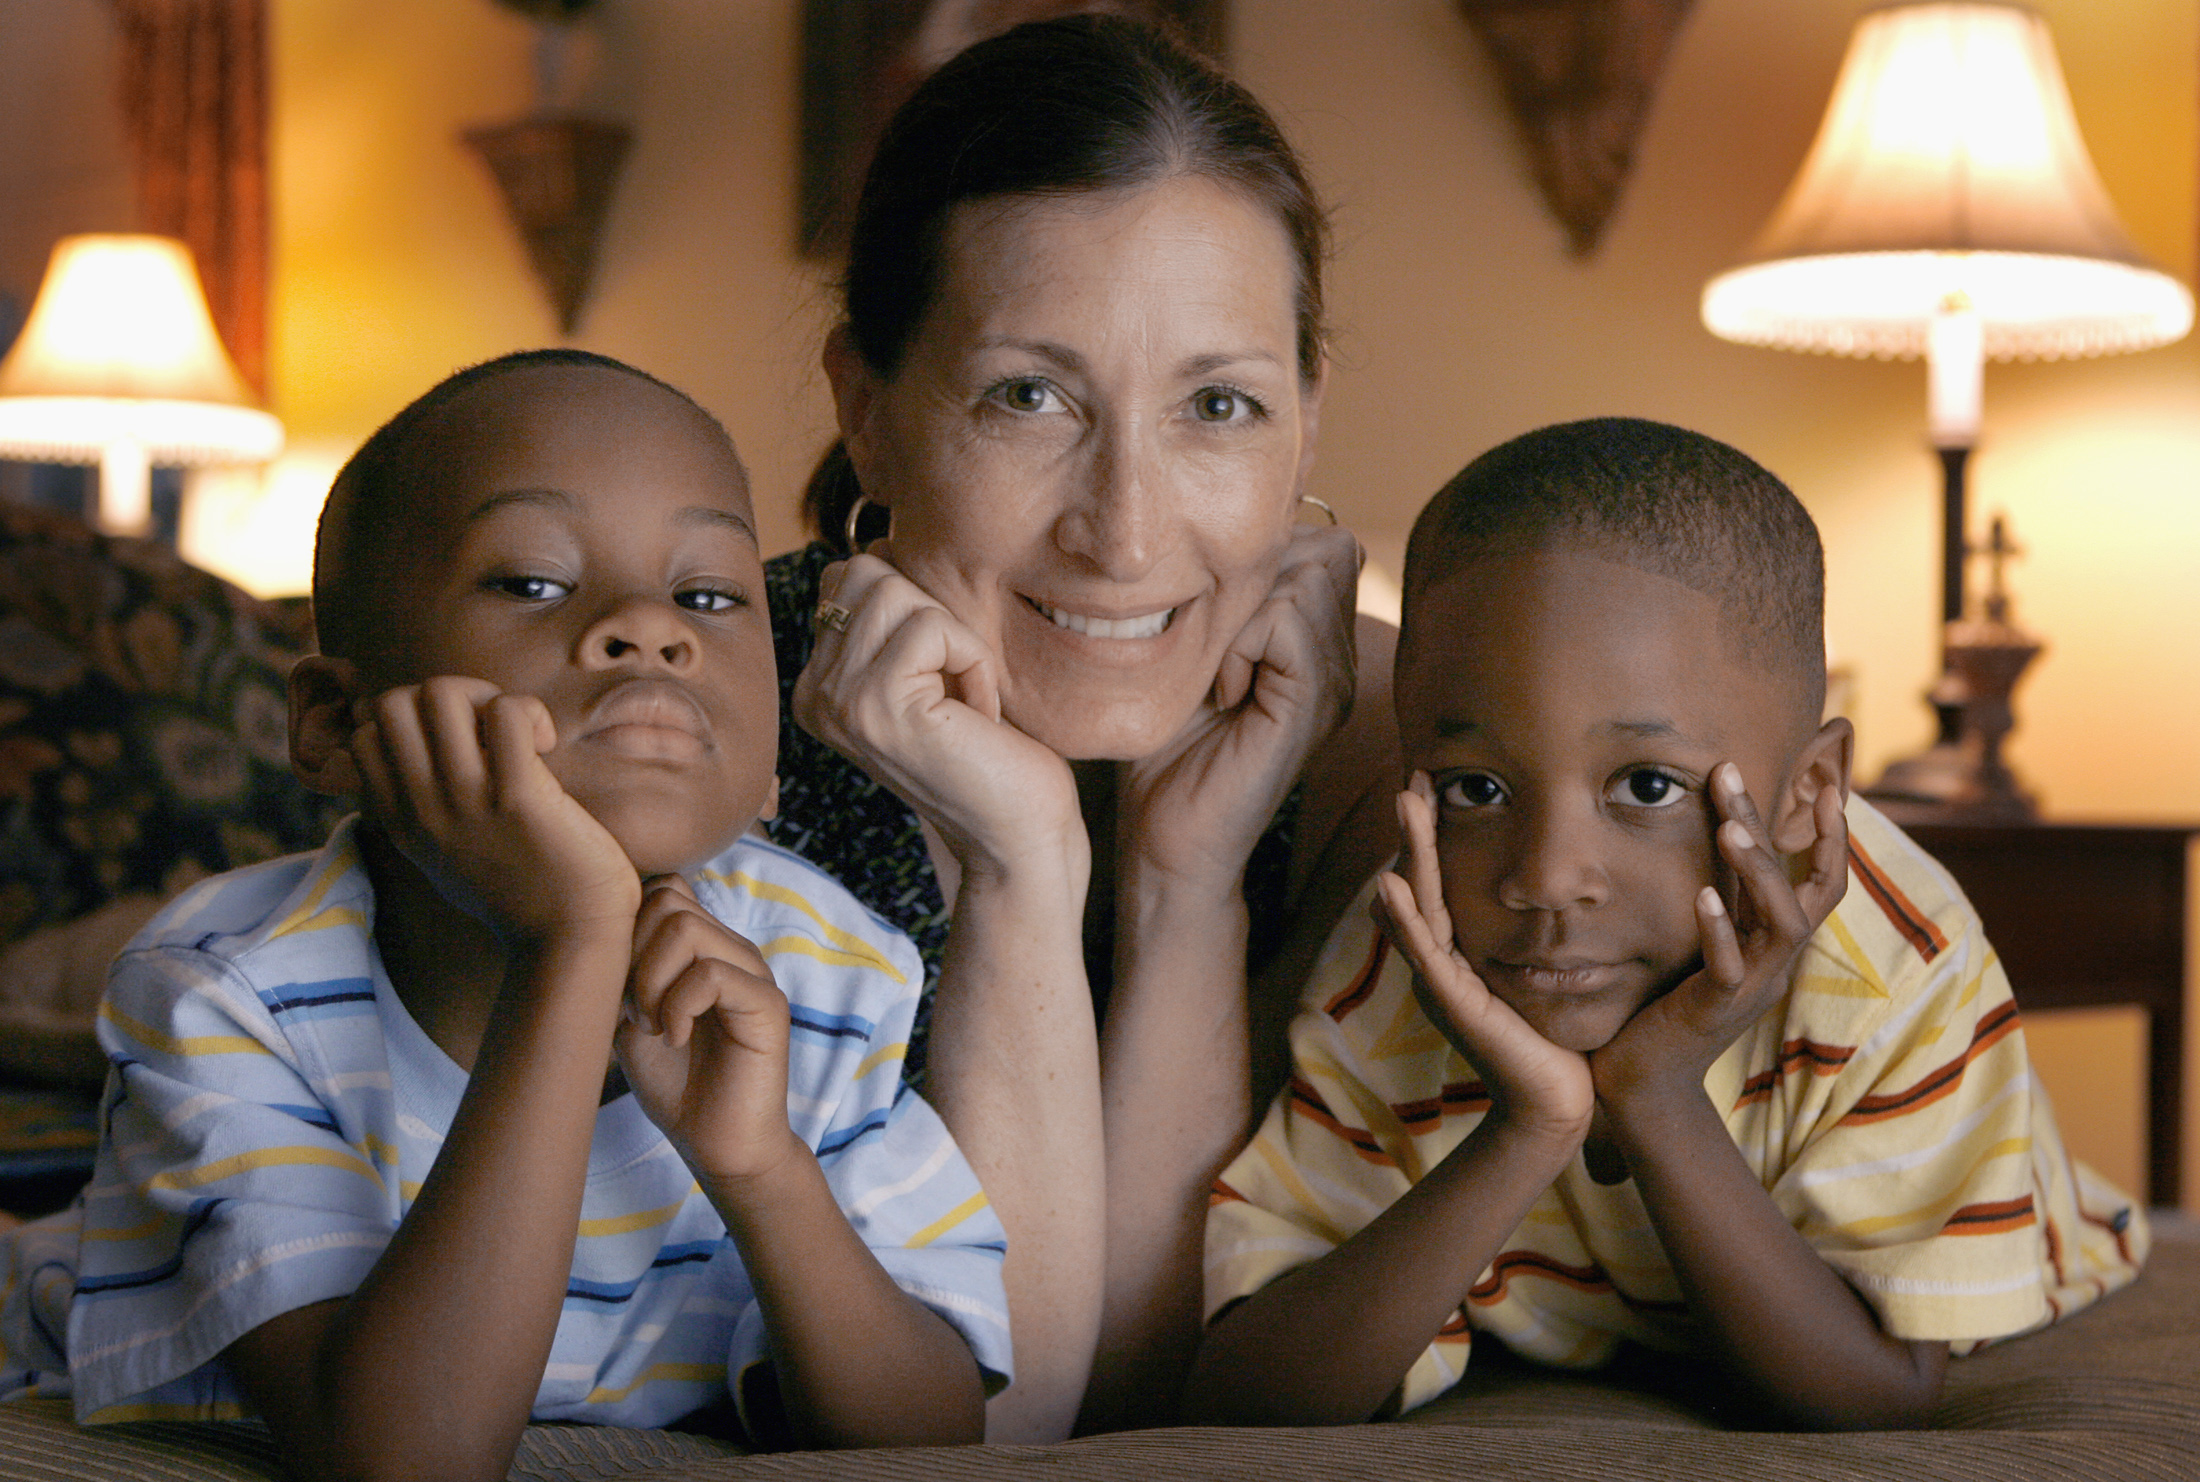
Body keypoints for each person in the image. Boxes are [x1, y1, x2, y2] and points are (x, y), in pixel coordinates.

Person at [0, 350, 1009, 1475]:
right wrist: (569, 941)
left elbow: (930, 1438)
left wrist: (765, 1169)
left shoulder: (827, 967)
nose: (646, 626)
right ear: (336, 722)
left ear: (773, 764)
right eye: (531, 581)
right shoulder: (223, 993)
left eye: (708, 596)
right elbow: (403, 1457)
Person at [1186, 418, 2147, 1430]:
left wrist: (1656, 1095)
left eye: (1646, 785)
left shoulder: (1896, 965)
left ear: (1806, 792)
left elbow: (1877, 1394)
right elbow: (1249, 1391)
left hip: (2013, 1246)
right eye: (1476, 787)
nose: (1545, 879)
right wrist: (1534, 1125)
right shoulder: (1401, 958)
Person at [767, 16, 1394, 1438]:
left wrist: (1188, 889)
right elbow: (1014, 1415)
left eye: (1217, 405)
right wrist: (1023, 867)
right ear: (867, 409)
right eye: (1028, 396)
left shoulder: (1396, 747)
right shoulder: (708, 726)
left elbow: (1154, 1411)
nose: (1123, 533)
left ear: (1305, 424)